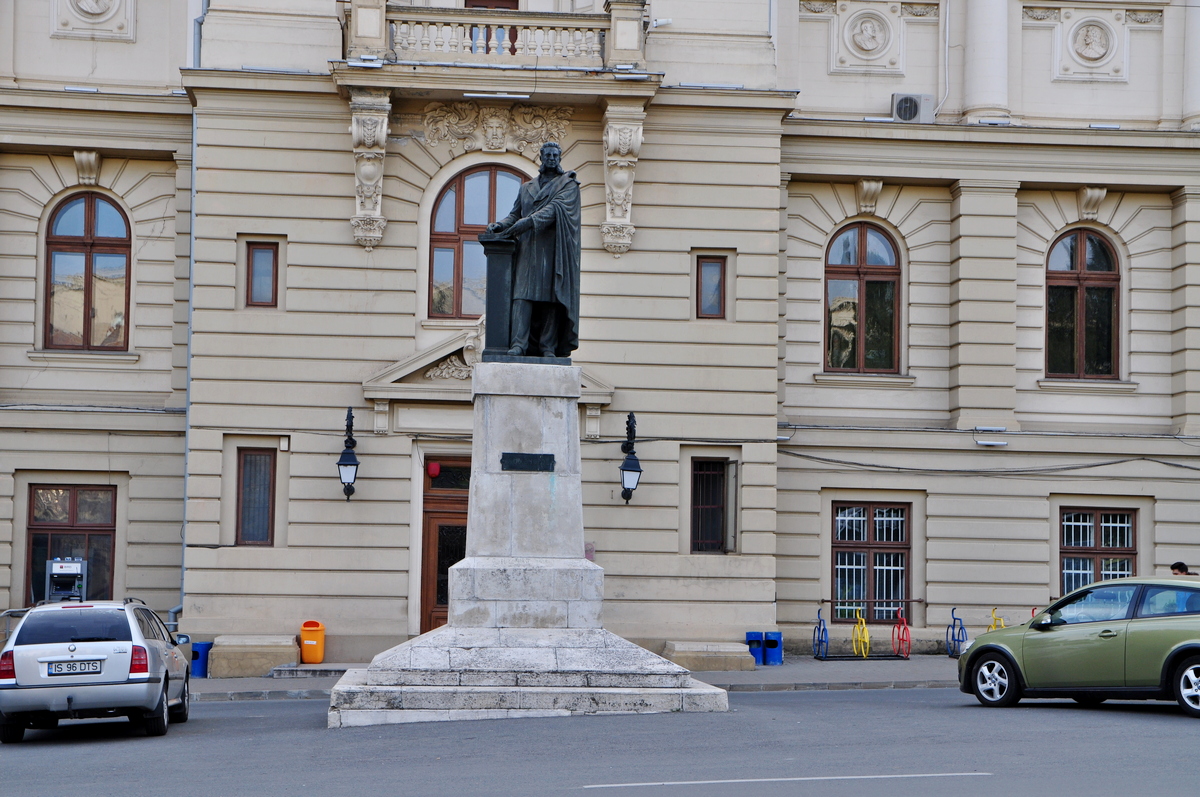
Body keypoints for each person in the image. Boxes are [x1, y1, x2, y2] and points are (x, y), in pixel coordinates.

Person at [485, 141, 581, 359]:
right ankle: (519, 344)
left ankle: (548, 347)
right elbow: (515, 215)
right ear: (541, 157)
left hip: (553, 250)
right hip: (528, 249)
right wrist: (500, 225)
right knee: (522, 296)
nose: (551, 159)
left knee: (551, 298)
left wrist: (528, 222)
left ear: (559, 158)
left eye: (555, 155)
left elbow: (555, 209)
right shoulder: (526, 188)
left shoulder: (568, 184)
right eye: (548, 155)